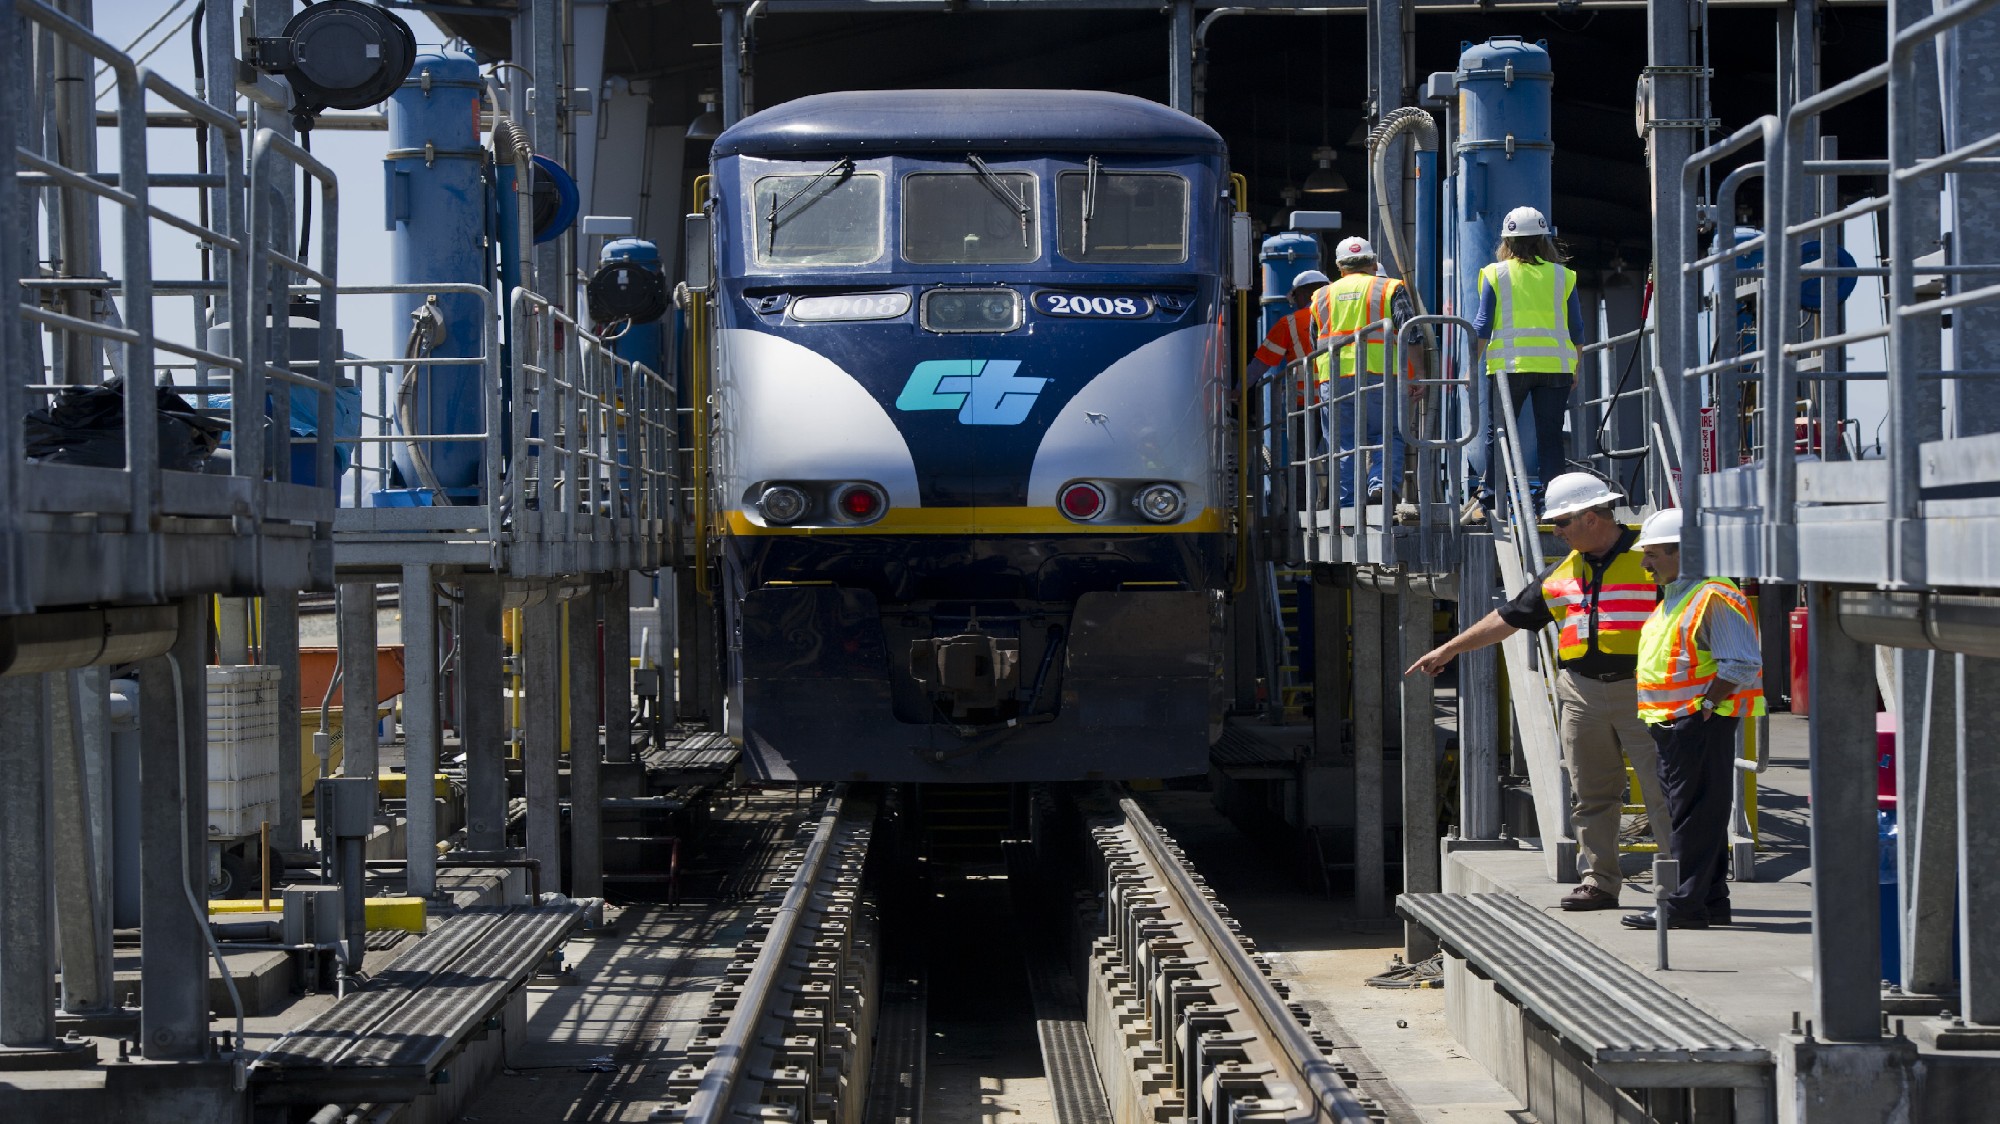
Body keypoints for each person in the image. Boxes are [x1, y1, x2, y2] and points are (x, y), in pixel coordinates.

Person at [1406, 471, 1672, 911]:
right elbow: (1508, 617)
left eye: (1562, 524)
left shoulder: (1652, 556)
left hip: (1644, 690)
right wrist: (1449, 649)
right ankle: (1600, 881)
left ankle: (1676, 884)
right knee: (1591, 792)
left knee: (1662, 790)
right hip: (1582, 692)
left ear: (1590, 517)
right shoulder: (1562, 573)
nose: (1556, 532)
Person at [1620, 508, 1765, 930]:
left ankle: (1683, 904)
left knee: (1691, 816)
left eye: (1654, 554)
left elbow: (1739, 663)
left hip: (1695, 722)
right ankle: (1708, 899)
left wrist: (1701, 708)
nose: (1645, 563)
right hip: (1678, 723)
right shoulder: (1680, 596)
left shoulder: (1711, 596)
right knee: (1698, 813)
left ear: (1687, 552)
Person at [1465, 205, 1586, 521]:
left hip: (1510, 368)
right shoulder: (1563, 276)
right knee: (1551, 439)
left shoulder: (1496, 273)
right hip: (1555, 369)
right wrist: (1575, 366)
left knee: (1501, 435)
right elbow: (1577, 329)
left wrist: (1469, 369)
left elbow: (1482, 325)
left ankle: (1491, 499)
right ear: (1544, 239)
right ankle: (1555, 504)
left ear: (1507, 241)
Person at [1309, 236, 1424, 506]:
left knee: (1342, 444)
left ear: (1339, 266)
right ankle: (1381, 488)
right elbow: (1412, 331)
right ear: (1373, 262)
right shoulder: (1390, 287)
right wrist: (1417, 373)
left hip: (1334, 379)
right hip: (1379, 374)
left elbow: (1314, 340)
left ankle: (1347, 505)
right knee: (1388, 434)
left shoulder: (1321, 295)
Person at [1245, 269, 1330, 391]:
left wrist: (1240, 389)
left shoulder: (1289, 323)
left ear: (1301, 294)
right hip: (1338, 396)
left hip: (1304, 400)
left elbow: (1260, 364)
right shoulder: (1340, 315)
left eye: (1295, 298)